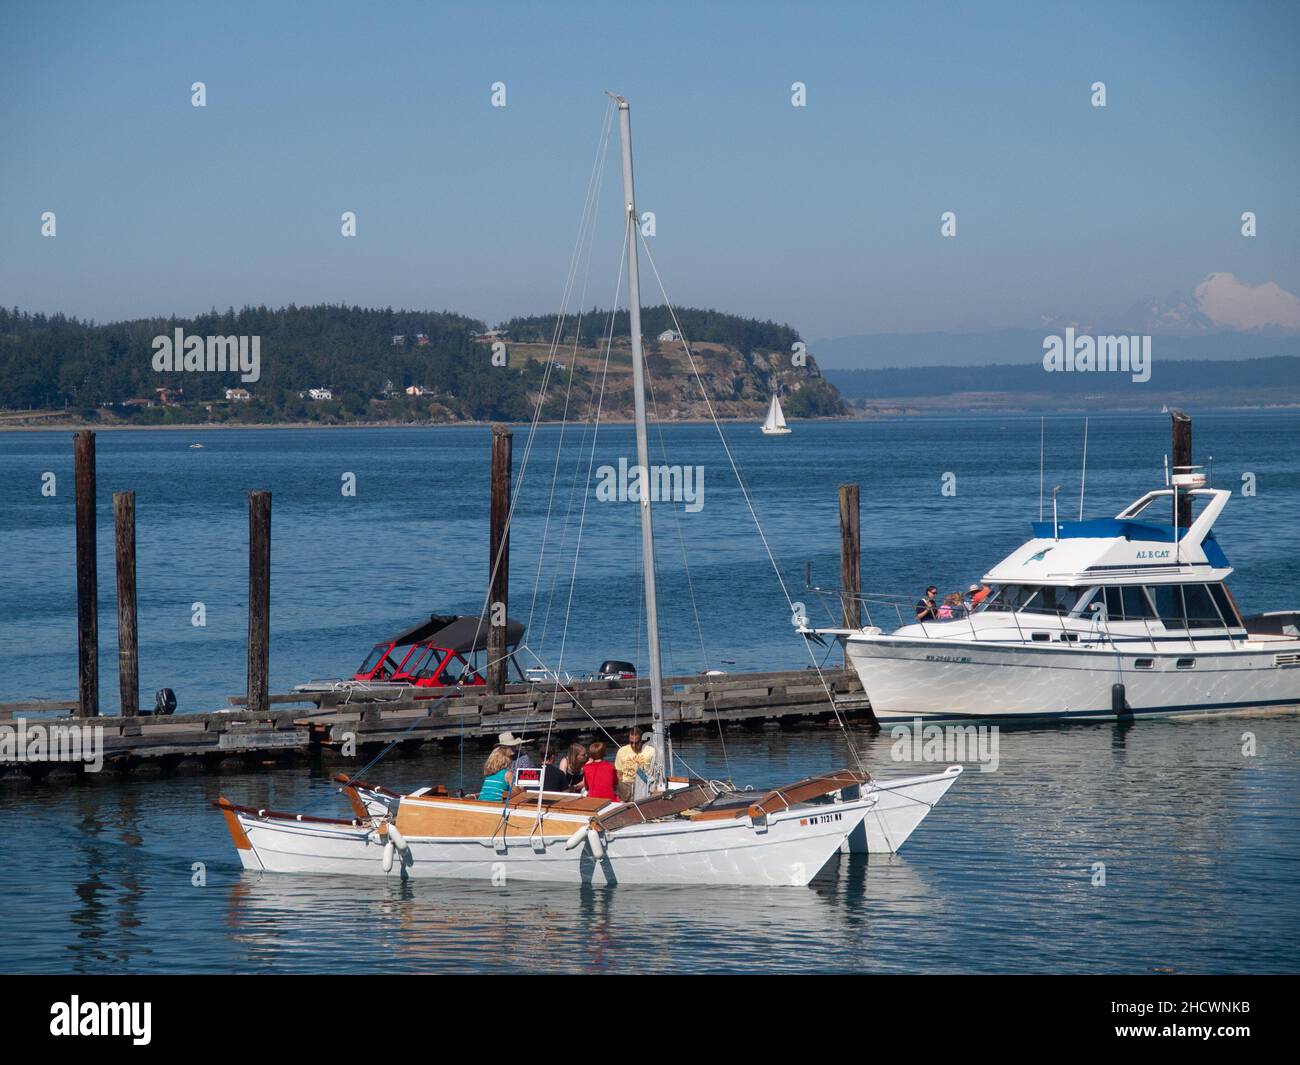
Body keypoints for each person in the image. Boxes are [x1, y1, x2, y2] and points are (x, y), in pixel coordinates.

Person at [614, 726, 656, 802]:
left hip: (644, 785)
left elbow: (654, 773)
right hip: (626, 785)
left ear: (641, 740)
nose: (633, 745)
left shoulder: (651, 751)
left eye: (636, 743)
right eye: (631, 742)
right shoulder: (622, 751)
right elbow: (619, 773)